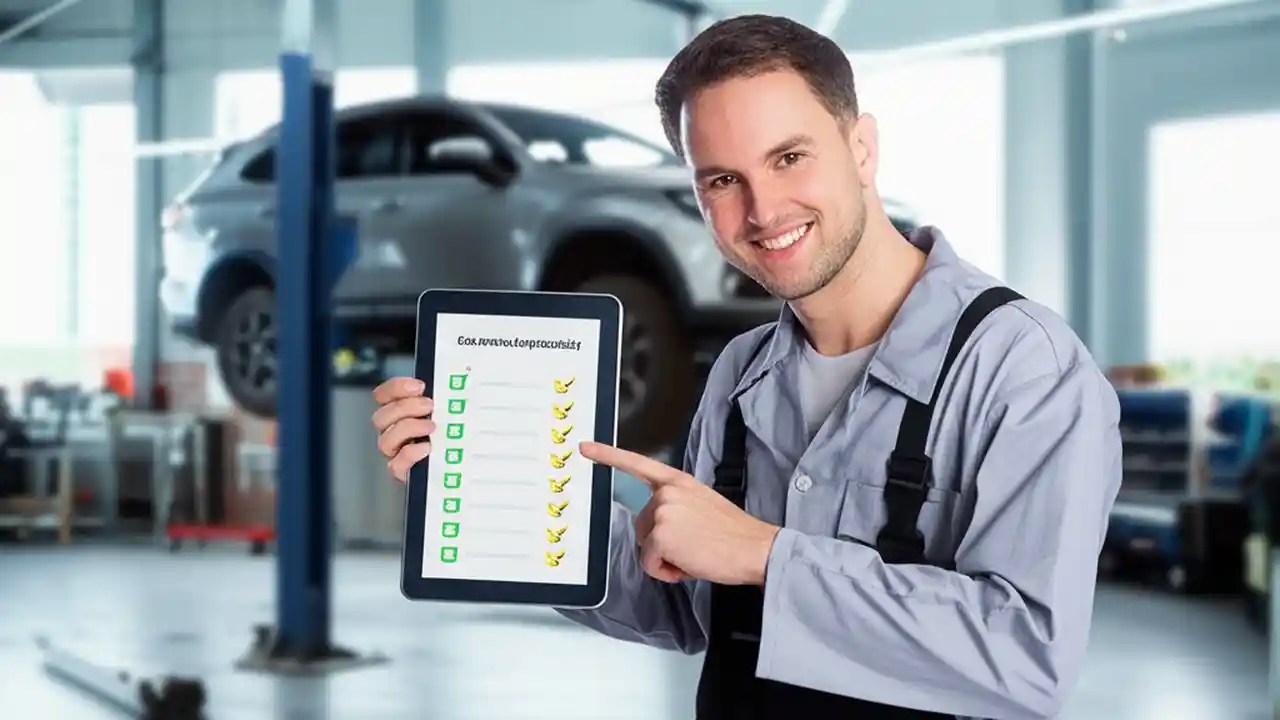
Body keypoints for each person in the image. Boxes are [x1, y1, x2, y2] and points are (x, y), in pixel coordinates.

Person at [372, 14, 1122, 720]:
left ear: (861, 148)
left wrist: (764, 554)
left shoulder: (1023, 369)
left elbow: (1028, 657)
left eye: (789, 157)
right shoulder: (739, 377)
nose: (762, 210)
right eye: (721, 181)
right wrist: (482, 487)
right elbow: (679, 608)